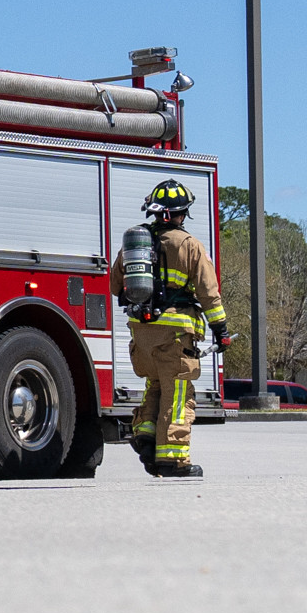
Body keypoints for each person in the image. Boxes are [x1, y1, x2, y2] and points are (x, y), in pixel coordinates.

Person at [119, 179, 230, 478]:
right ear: (182, 213)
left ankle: (145, 435)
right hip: (176, 334)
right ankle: (174, 460)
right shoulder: (189, 245)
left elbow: (117, 284)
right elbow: (209, 292)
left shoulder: (136, 243)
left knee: (154, 385)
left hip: (142, 333)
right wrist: (221, 330)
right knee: (178, 394)